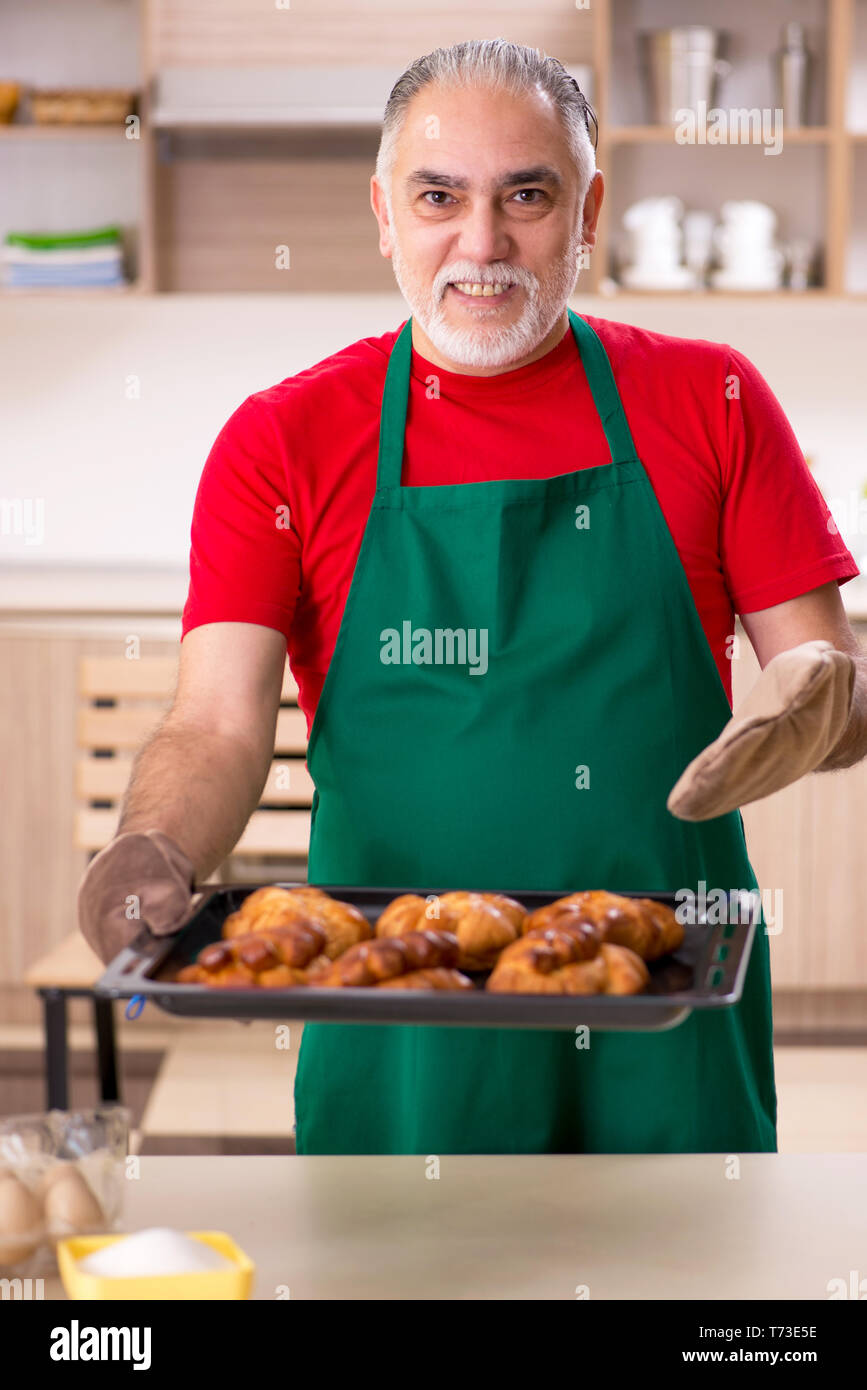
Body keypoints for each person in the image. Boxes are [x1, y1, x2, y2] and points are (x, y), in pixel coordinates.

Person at [79, 39, 866, 1156]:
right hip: (396, 1009)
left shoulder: (714, 399)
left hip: (665, 993)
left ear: (589, 211)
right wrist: (151, 845)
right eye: (439, 197)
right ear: (385, 214)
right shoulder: (286, 439)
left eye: (528, 196)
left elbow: (820, 674)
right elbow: (216, 720)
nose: (482, 243)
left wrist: (823, 698)